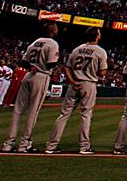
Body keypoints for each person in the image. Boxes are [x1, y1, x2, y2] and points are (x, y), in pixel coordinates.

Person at [44, 26, 108, 154]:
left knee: (64, 114)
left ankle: (51, 146)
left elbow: (67, 67)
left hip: (74, 83)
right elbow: (102, 72)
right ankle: (84, 147)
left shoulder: (77, 49)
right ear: (97, 36)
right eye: (99, 34)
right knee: (86, 114)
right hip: (88, 83)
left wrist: (72, 81)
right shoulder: (100, 51)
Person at [2, 22, 60, 152]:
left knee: (18, 110)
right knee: (33, 111)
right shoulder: (52, 43)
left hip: (28, 75)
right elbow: (51, 63)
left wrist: (31, 67)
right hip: (41, 76)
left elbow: (22, 61)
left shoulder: (35, 42)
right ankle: (24, 144)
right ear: (52, 31)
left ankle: (8, 143)